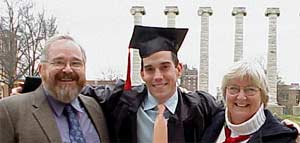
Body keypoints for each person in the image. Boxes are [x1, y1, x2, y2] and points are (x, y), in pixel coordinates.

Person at [81, 25, 223, 143]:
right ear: (142, 74)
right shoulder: (122, 101)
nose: (157, 76)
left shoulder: (201, 107)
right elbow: (78, 91)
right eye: (149, 69)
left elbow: (233, 115)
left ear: (179, 69)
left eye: (165, 67)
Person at [0, 35, 109, 143]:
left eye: (75, 63)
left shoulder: (95, 108)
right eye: (59, 62)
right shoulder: (10, 111)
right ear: (41, 69)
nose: (68, 70)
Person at [201, 60, 298, 143]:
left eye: (250, 90)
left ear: (263, 96)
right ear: (224, 92)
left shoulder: (282, 138)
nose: (241, 97)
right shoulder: (208, 122)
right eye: (234, 88)